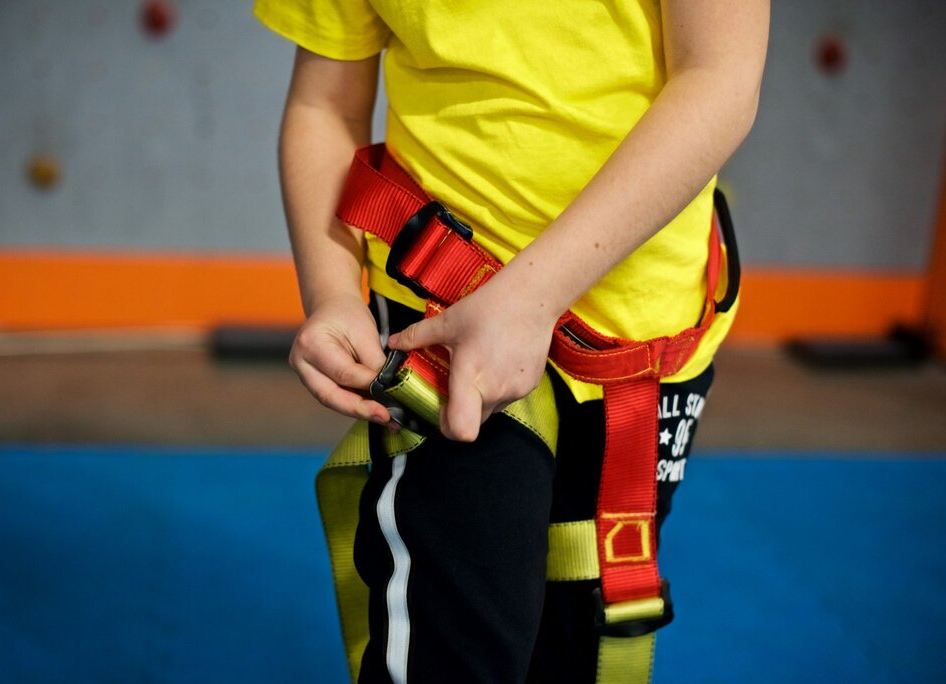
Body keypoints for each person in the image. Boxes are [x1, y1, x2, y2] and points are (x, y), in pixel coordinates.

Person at [255, 1, 768, 682]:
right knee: (456, 651)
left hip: (637, 340)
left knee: (582, 640)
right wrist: (332, 294)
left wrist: (531, 298)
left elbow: (720, 78)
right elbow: (325, 103)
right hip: (442, 320)